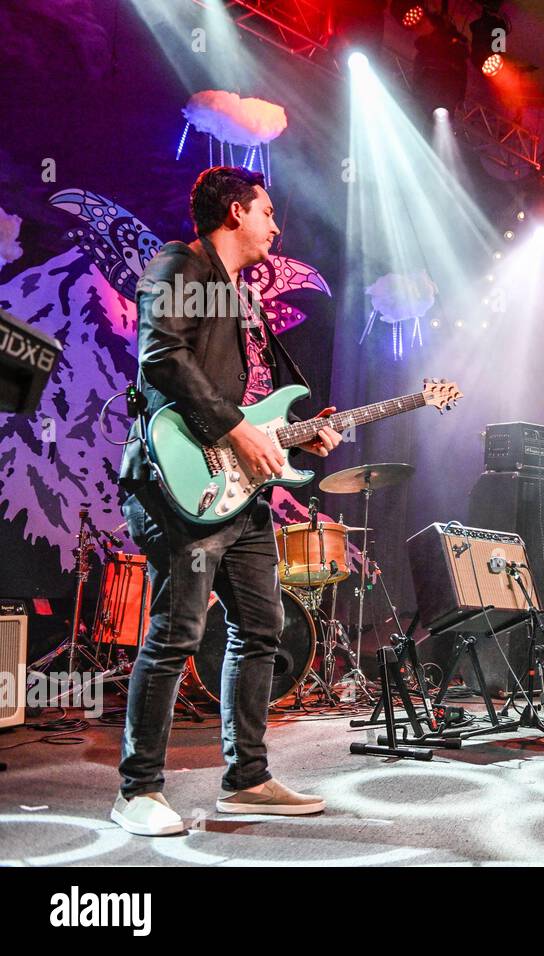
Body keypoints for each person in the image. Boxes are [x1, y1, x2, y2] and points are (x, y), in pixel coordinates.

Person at [113, 166, 343, 836]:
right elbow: (161, 357)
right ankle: (136, 791)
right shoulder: (177, 265)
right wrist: (239, 430)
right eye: (268, 211)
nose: (276, 225)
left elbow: (254, 406)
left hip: (238, 496)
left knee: (261, 628)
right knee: (177, 632)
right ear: (236, 211)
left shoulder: (243, 298)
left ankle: (247, 779)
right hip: (178, 486)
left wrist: (297, 438)